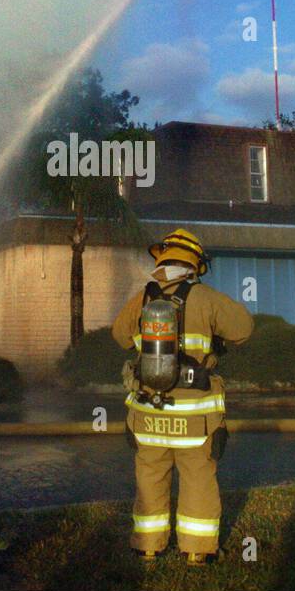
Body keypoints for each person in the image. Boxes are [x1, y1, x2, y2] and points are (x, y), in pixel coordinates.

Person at [111, 229, 253, 565]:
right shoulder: (206, 298)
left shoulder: (143, 299)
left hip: (148, 415)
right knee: (198, 480)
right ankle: (197, 551)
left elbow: (119, 336)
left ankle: (147, 544)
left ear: (161, 260)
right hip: (195, 420)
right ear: (195, 265)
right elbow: (244, 329)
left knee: (150, 479)